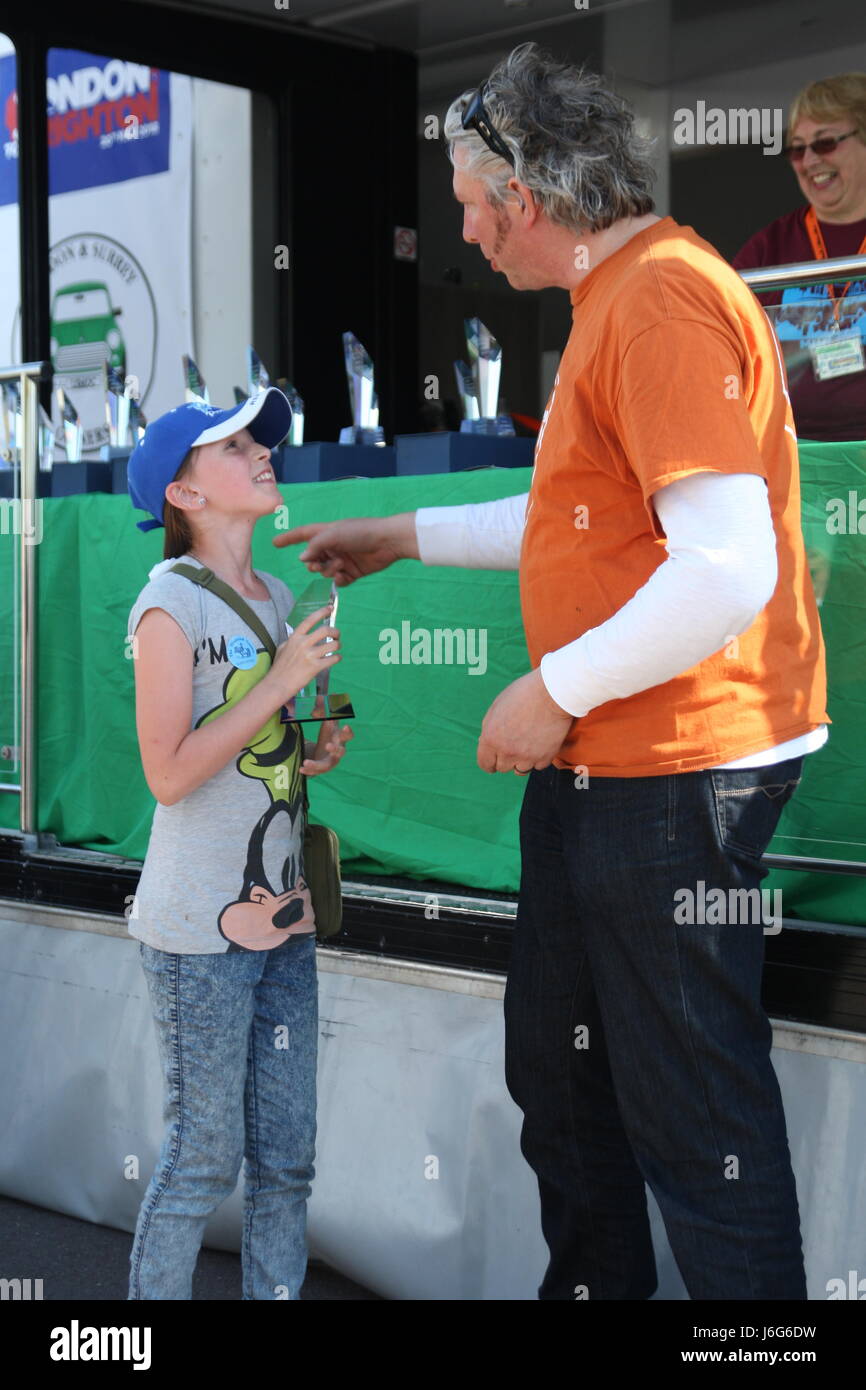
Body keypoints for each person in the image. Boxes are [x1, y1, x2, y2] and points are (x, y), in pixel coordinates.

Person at [271, 42, 829, 1300]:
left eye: (469, 206)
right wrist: (401, 536)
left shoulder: (658, 300)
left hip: (675, 771)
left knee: (697, 1123)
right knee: (564, 1088)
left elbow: (726, 567)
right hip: (617, 771)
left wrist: (553, 686)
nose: (465, 235)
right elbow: (577, 514)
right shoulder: (621, 297)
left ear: (522, 196)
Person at [124, 388, 352, 1299]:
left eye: (261, 440)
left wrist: (308, 751)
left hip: (283, 922)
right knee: (200, 1161)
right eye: (234, 445)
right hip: (195, 938)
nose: (262, 451)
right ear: (183, 495)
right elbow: (169, 775)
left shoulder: (277, 594)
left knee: (288, 1162)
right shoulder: (165, 605)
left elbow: (250, 757)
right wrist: (280, 684)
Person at [732, 74, 866, 442]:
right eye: (796, 148)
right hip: (797, 456)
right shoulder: (768, 248)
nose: (809, 160)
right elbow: (718, 346)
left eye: (824, 143)